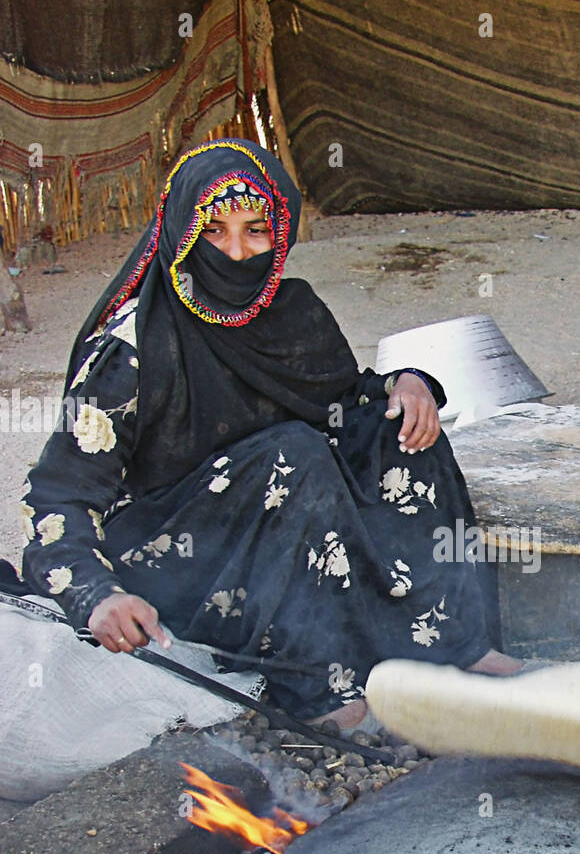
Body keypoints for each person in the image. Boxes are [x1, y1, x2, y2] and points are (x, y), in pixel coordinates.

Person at [18, 140, 521, 730]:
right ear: (181, 233)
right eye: (214, 232)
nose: (236, 253)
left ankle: (451, 640)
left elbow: (344, 399)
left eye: (256, 232)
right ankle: (320, 684)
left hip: (288, 519)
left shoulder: (292, 310)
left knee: (401, 429)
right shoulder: (133, 351)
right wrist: (96, 595)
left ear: (279, 235)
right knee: (296, 452)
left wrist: (408, 383)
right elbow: (58, 498)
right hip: (182, 560)